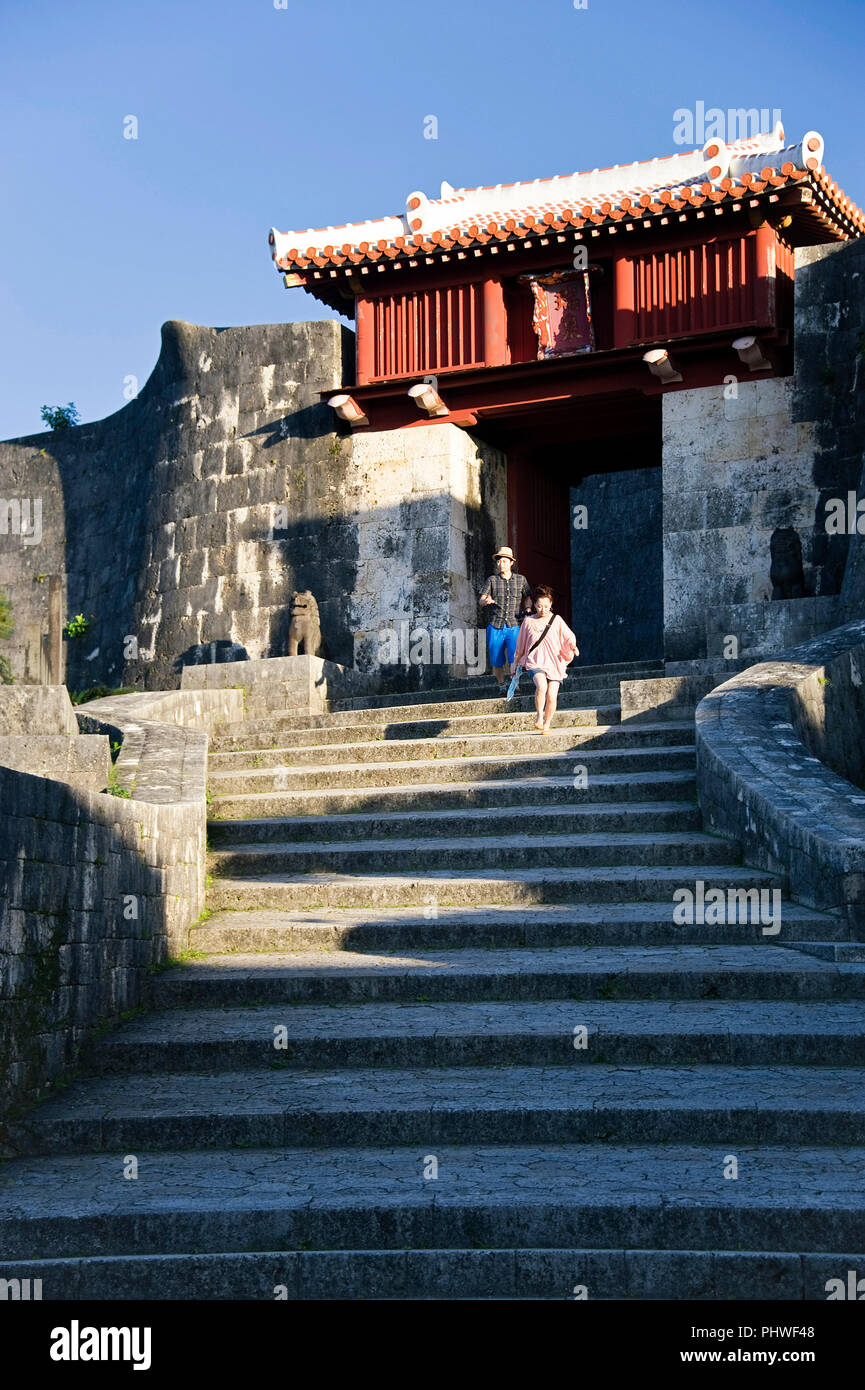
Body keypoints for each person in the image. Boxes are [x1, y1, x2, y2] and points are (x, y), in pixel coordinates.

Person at [511, 585, 579, 733]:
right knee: (541, 686)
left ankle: (547, 723)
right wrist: (515, 662)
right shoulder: (528, 621)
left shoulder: (557, 620)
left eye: (546, 606)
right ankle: (539, 716)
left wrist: (573, 646)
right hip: (535, 661)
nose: (543, 609)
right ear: (534, 605)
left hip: (555, 662)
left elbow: (568, 636)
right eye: (539, 606)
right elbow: (520, 645)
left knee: (552, 694)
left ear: (551, 605)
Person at [478, 546, 532, 687]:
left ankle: (515, 684)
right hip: (495, 624)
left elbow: (528, 597)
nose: (500, 564)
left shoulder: (521, 580)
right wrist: (486, 601)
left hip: (514, 624)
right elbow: (481, 600)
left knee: (515, 657)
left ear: (511, 563)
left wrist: (527, 608)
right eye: (498, 561)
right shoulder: (492, 580)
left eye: (503, 561)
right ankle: (501, 684)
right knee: (496, 659)